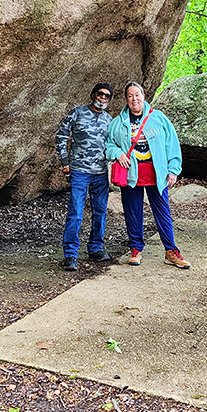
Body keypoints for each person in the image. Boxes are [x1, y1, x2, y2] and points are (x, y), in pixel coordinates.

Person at [106, 81, 190, 269]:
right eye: (130, 96)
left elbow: (172, 144)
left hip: (156, 173)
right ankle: (136, 248)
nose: (134, 99)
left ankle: (171, 251)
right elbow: (108, 144)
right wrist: (117, 153)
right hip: (131, 173)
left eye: (137, 95)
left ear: (143, 96)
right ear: (126, 99)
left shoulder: (158, 118)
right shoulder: (118, 122)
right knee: (133, 211)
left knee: (163, 212)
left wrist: (173, 169)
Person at [55, 83, 114, 271]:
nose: (103, 98)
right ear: (93, 94)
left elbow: (114, 143)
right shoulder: (77, 112)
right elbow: (61, 136)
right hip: (79, 171)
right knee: (76, 212)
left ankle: (96, 248)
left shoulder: (109, 120)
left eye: (107, 96)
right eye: (100, 94)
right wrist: (65, 162)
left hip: (101, 173)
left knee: (100, 211)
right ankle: (70, 254)